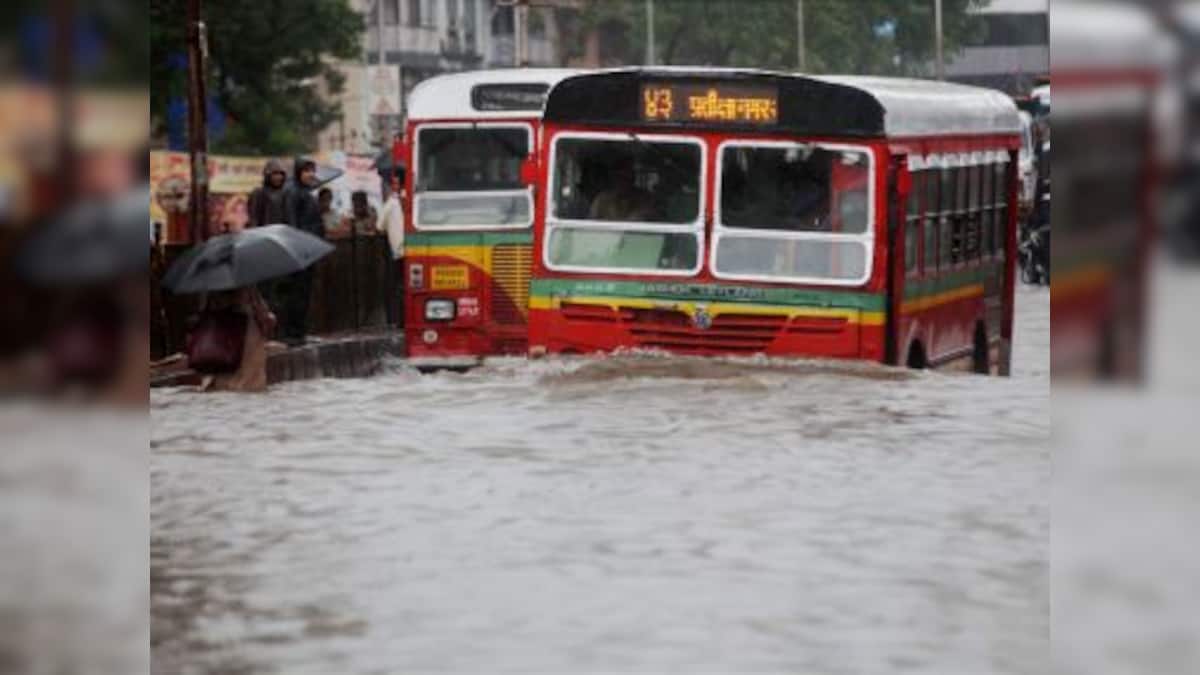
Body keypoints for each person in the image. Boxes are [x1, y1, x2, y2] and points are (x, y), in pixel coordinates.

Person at [275, 156, 324, 345]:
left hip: (308, 248)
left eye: (312, 170)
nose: (310, 174)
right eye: (306, 171)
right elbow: (291, 221)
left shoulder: (306, 192)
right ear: (298, 173)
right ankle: (293, 333)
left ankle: (300, 331)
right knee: (297, 293)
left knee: (304, 292)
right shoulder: (294, 193)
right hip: (299, 249)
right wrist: (298, 245)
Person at [193, 286, 276, 393]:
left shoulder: (213, 288)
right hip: (247, 335)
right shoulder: (247, 286)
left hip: (221, 335)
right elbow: (264, 319)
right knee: (248, 380)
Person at [588, 155, 656, 221]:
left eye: (627, 177)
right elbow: (591, 224)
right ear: (614, 178)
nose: (623, 182)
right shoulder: (601, 200)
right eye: (620, 177)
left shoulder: (644, 198)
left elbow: (650, 221)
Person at [377, 176, 405, 326]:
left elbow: (379, 226)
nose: (395, 186)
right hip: (412, 249)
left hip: (398, 250)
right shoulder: (408, 201)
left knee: (399, 285)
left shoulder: (391, 203)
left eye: (396, 183)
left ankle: (401, 320)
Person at [246, 158, 288, 228]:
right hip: (264, 231)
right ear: (268, 175)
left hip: (282, 233)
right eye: (275, 174)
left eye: (281, 174)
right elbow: (253, 217)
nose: (278, 177)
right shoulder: (258, 193)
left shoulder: (287, 193)